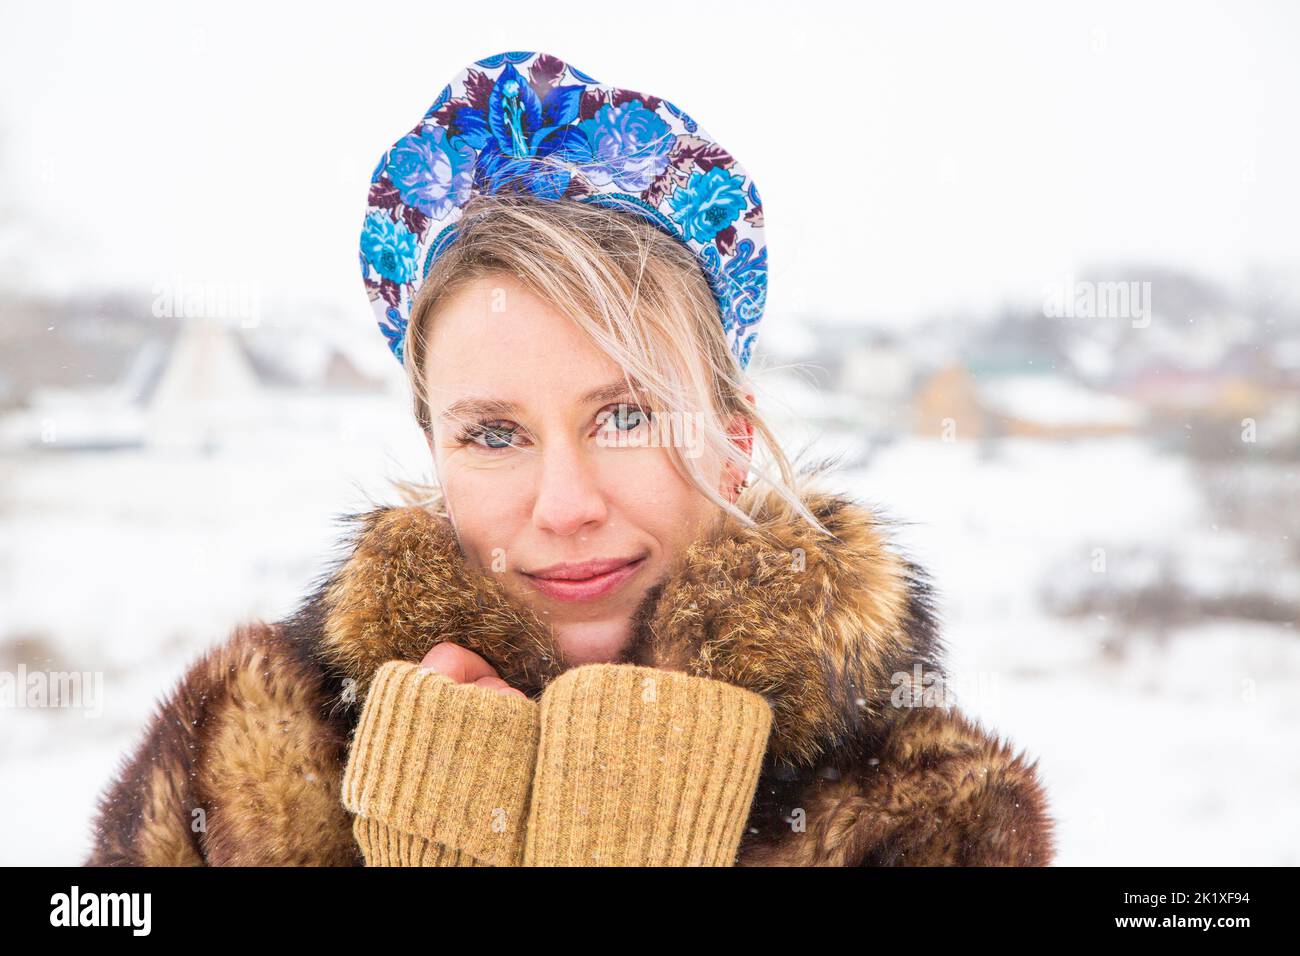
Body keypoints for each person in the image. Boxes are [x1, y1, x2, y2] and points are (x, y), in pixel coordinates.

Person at [86, 51, 1053, 866]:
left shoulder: (927, 823)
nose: (565, 505)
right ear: (437, 456)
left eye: (627, 416)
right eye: (495, 435)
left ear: (735, 442)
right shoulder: (247, 763)